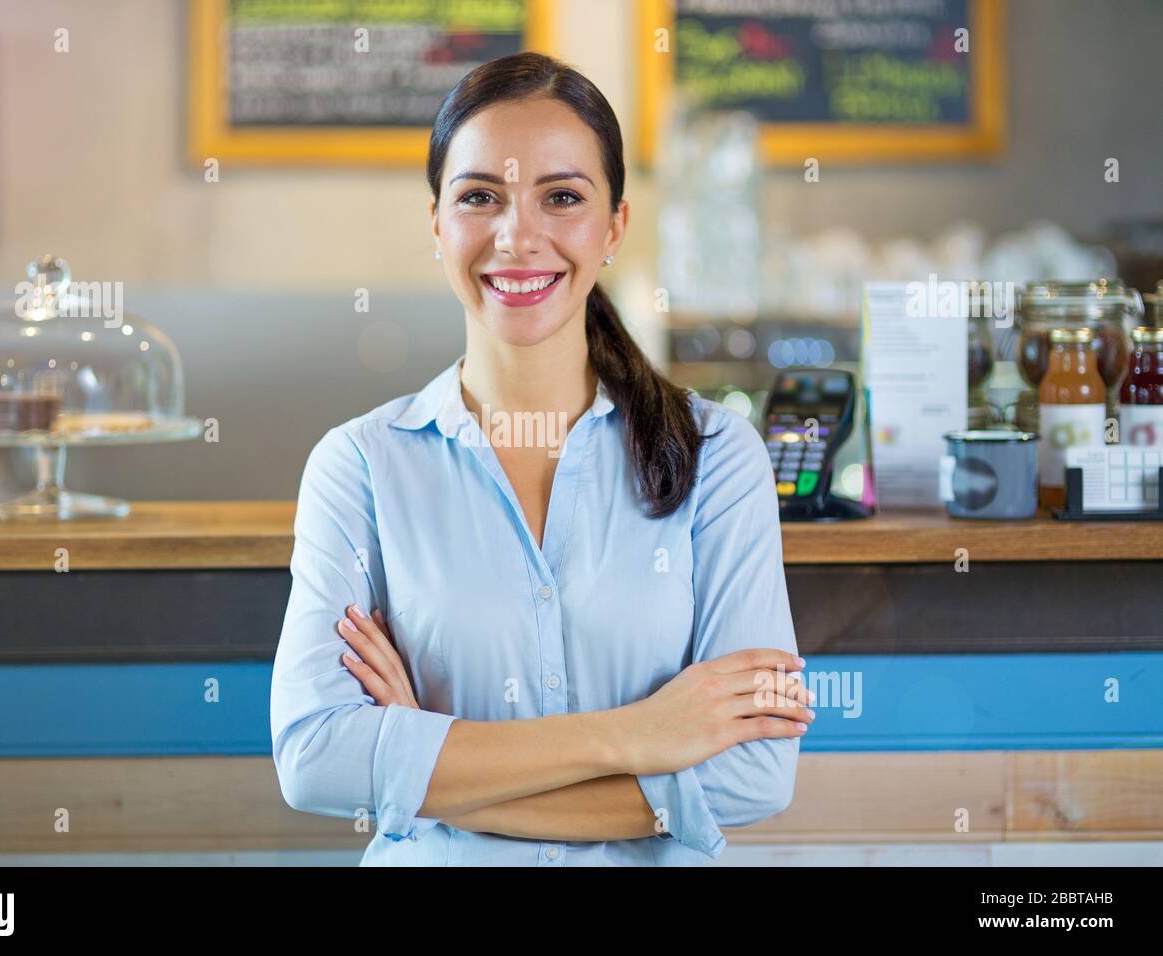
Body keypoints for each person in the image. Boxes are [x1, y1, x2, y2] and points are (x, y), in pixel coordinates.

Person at [271, 52, 812, 866]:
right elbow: (316, 758)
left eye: (561, 198)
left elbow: (756, 771)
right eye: (480, 197)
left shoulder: (718, 455)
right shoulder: (360, 465)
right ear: (436, 224)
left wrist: (425, 759)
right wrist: (641, 736)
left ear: (616, 227)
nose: (518, 237)